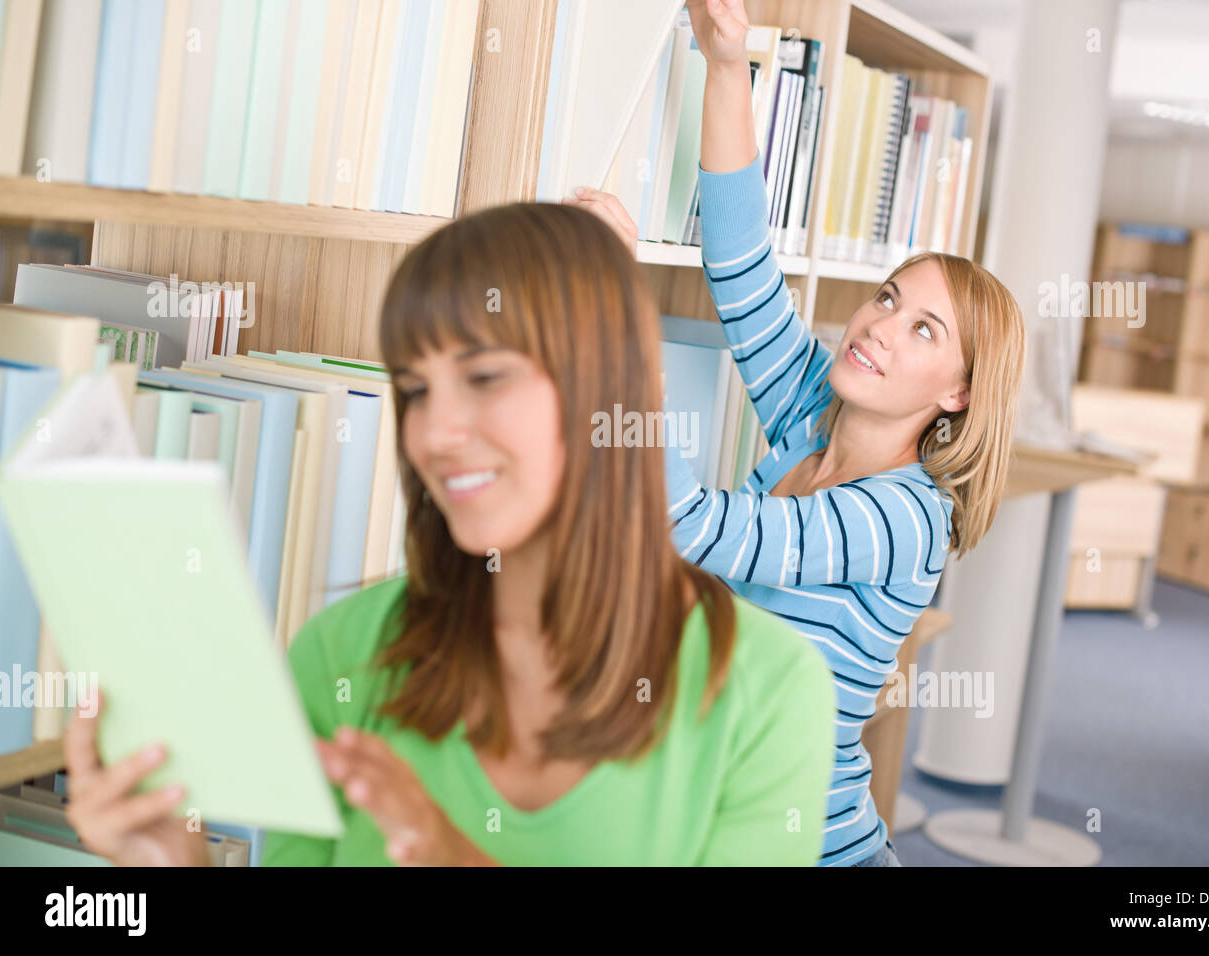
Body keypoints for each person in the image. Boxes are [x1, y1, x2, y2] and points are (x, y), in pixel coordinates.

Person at [61, 198, 837, 866]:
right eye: (415, 388)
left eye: (485, 377)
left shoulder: (768, 694)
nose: (435, 432)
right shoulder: (344, 653)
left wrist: (450, 852)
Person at [565, 0, 1026, 867]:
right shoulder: (812, 420)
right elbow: (740, 265)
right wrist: (728, 64)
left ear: (960, 393)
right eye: (889, 298)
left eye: (925, 330)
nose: (881, 326)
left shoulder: (907, 516)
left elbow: (692, 527)